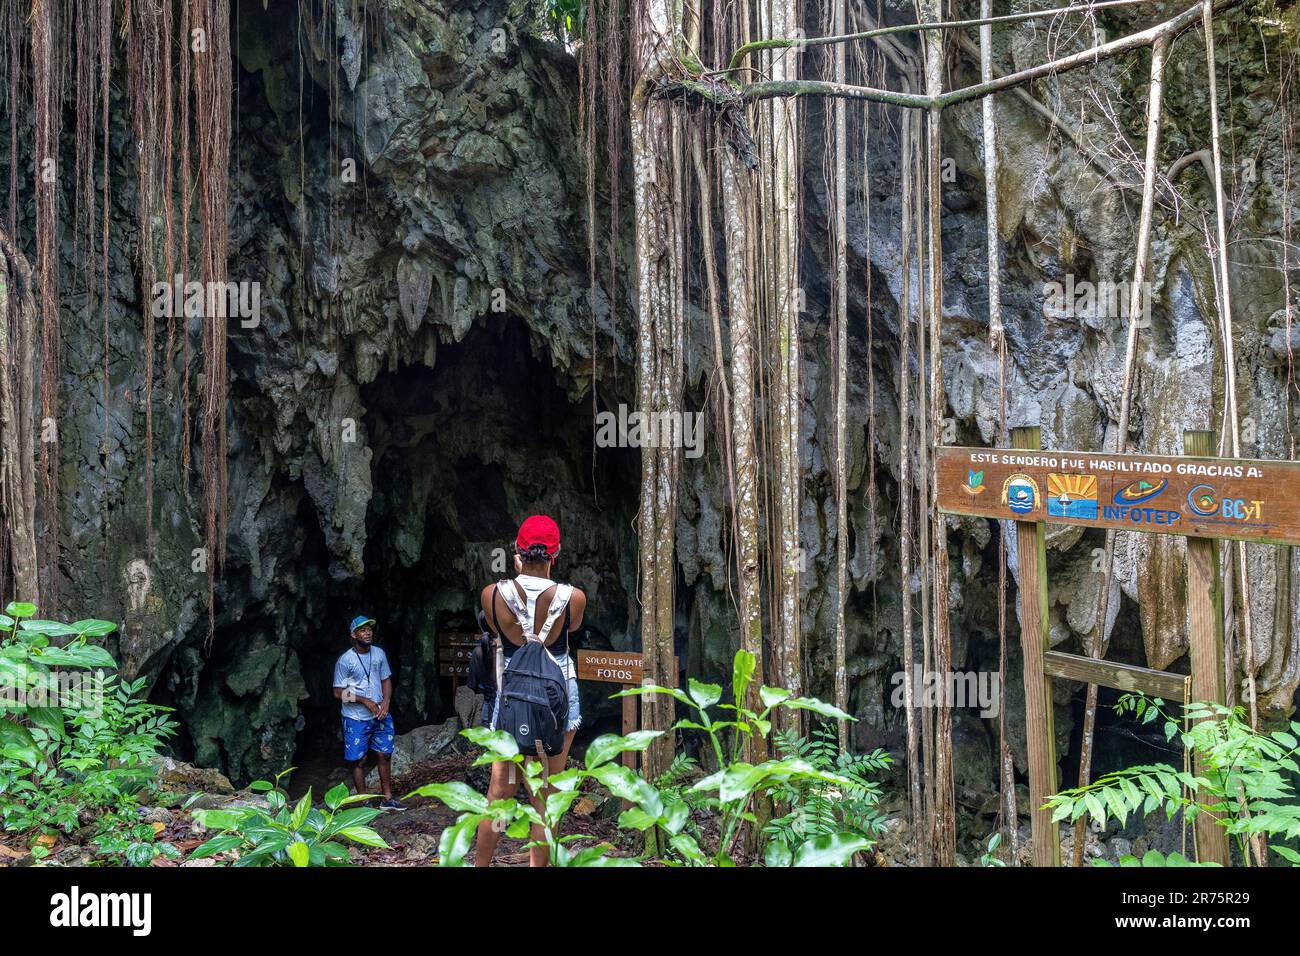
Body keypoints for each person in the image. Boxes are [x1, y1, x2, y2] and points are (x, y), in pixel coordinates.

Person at [474, 514, 586, 866]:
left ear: (517, 553)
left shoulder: (492, 595)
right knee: (546, 797)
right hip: (556, 701)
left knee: (500, 792)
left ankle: (480, 865)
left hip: (513, 701)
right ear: (556, 555)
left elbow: (500, 633)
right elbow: (573, 630)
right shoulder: (574, 598)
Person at [332, 615, 403, 810]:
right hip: (355, 718)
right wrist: (364, 700)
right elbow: (337, 692)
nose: (368, 632)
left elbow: (386, 679)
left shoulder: (379, 654)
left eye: (369, 629)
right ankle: (363, 802)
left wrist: (386, 703)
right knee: (359, 760)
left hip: (380, 714)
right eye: (362, 630)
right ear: (354, 634)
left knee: (385, 755)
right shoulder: (345, 660)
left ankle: (387, 799)